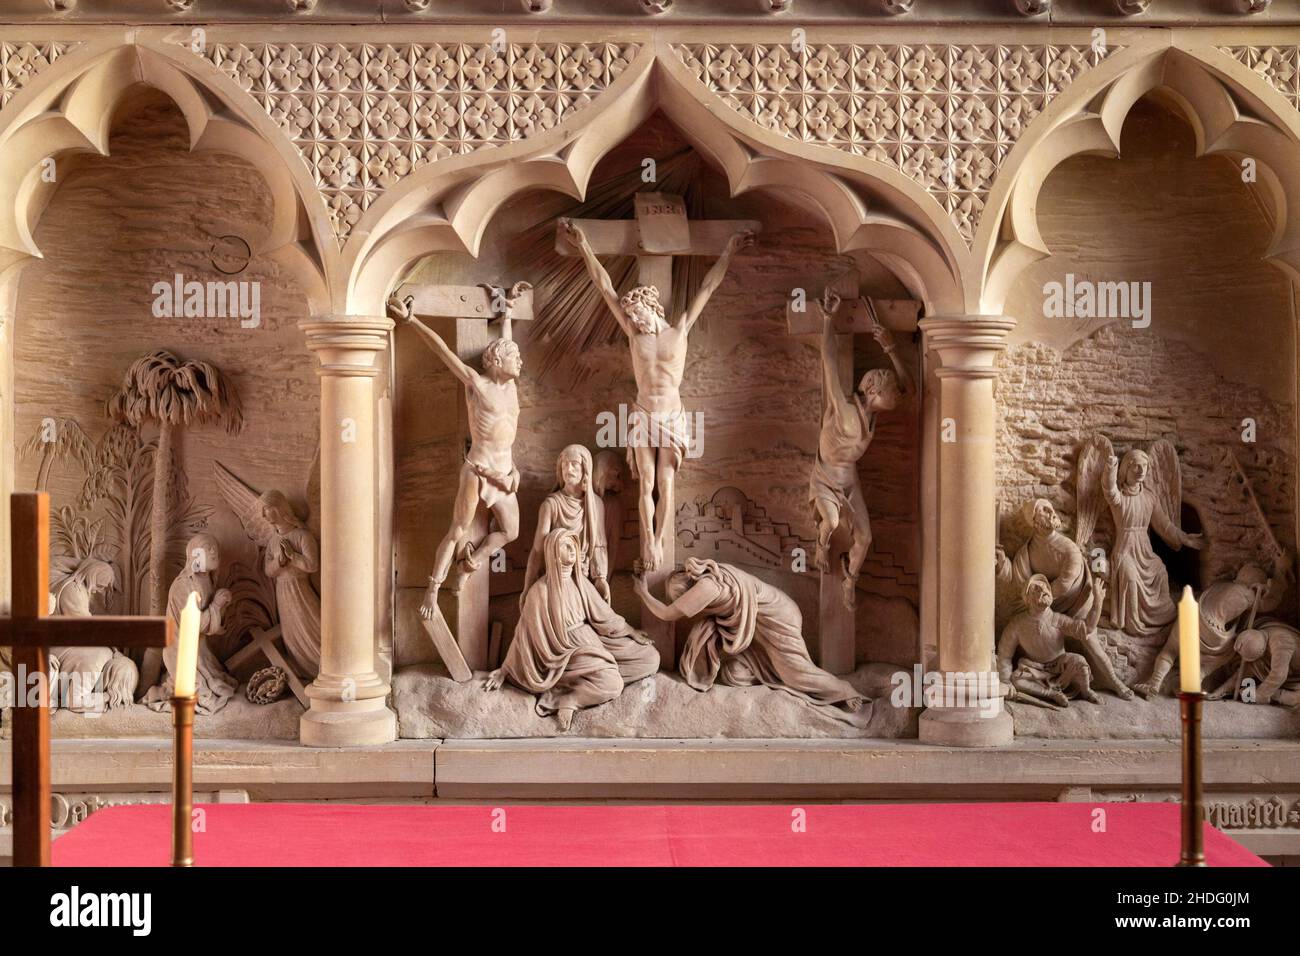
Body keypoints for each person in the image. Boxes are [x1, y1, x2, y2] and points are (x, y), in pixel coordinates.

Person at [562, 218, 753, 571]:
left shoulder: (679, 330)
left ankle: (660, 541)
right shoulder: (636, 337)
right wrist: (584, 245)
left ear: (652, 308)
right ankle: (648, 542)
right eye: (631, 317)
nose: (634, 321)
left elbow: (707, 288)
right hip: (643, 413)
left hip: (672, 415)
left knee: (665, 482)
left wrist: (729, 250)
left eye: (638, 315)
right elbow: (605, 289)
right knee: (645, 482)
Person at [391, 294, 524, 621]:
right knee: (457, 529)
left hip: (506, 470)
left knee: (512, 532)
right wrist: (412, 321)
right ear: (496, 362)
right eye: (514, 358)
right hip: (479, 471)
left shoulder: (511, 390)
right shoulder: (477, 384)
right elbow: (443, 352)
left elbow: (506, 342)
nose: (520, 361)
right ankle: (433, 588)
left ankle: (469, 565)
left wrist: (507, 312)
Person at [634, 557, 870, 723]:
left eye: (680, 597)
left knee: (795, 673)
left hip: (777, 618)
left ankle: (846, 692)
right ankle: (768, 673)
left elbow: (668, 613)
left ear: (688, 590)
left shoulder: (708, 586)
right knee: (733, 674)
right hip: (760, 626)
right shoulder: (709, 575)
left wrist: (642, 592)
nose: (684, 603)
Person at [485, 529, 659, 730]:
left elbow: (604, 616)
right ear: (553, 553)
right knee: (613, 684)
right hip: (567, 648)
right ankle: (569, 700)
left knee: (650, 658)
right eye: (565, 546)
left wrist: (630, 631)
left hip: (593, 638)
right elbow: (524, 635)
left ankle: (591, 680)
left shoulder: (580, 582)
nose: (572, 549)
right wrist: (505, 669)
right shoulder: (540, 592)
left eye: (572, 545)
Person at [808, 290, 912, 611]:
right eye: (888, 390)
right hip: (826, 478)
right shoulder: (844, 410)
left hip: (850, 482)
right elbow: (828, 362)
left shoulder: (873, 414)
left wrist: (890, 347)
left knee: (865, 538)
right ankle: (821, 545)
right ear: (874, 391)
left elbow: (907, 390)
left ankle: (850, 578)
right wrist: (827, 319)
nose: (894, 395)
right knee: (832, 522)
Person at [1136, 554, 1291, 698]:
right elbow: (1273, 602)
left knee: (1169, 651)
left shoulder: (1220, 585)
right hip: (1211, 632)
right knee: (1230, 651)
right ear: (1254, 585)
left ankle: (1154, 682)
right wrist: (1280, 570)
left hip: (1192, 616)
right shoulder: (1248, 594)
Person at [1103, 449, 1204, 638]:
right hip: (1125, 549)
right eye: (1136, 466)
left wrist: (1185, 538)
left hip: (1144, 550)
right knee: (1131, 579)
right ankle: (1134, 624)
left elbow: (1164, 525)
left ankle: (1162, 617)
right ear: (1126, 468)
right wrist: (1110, 466)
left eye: (1145, 466)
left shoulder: (1149, 497)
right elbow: (1109, 490)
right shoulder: (1120, 498)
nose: (1141, 470)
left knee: (1159, 570)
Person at [143, 532, 238, 715]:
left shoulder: (207, 580)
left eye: (215, 550)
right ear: (196, 555)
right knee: (194, 692)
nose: (214, 552)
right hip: (180, 650)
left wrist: (220, 613)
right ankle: (158, 692)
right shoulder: (183, 586)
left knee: (218, 682)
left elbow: (207, 624)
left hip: (199, 649)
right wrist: (216, 606)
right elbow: (193, 625)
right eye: (208, 550)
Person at [997, 574, 1119, 708]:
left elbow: (1086, 629)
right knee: (1017, 679)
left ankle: (1086, 691)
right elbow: (1004, 655)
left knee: (1080, 663)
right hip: (1035, 669)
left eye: (1045, 588)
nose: (1043, 591)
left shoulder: (1057, 619)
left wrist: (1098, 601)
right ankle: (1050, 694)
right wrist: (1005, 682)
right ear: (1027, 599)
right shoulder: (1017, 624)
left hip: (1061, 666)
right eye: (1036, 589)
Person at [521, 445, 609, 605]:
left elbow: (599, 545)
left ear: (585, 468)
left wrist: (601, 578)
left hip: (584, 579)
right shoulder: (551, 504)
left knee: (613, 624)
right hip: (557, 578)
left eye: (574, 463)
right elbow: (537, 550)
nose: (568, 469)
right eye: (564, 464)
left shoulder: (596, 504)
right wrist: (527, 586)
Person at [259, 490, 322, 678]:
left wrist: (292, 556)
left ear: (279, 509)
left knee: (314, 625)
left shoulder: (302, 536)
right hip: (282, 590)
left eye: (266, 509)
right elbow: (268, 571)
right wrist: (279, 562)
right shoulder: (272, 542)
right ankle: (305, 671)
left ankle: (327, 665)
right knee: (292, 634)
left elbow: (312, 565)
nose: (263, 515)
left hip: (300, 589)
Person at [996, 498, 1093, 618]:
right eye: (1043, 509)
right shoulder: (1028, 551)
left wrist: (1037, 597)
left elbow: (1064, 583)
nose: (1051, 511)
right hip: (1041, 606)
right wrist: (1002, 562)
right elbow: (1016, 576)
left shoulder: (1070, 549)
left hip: (1074, 606)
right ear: (1034, 522)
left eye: (1050, 508)